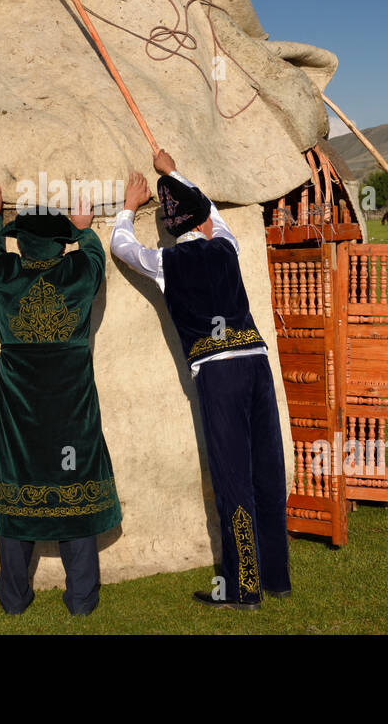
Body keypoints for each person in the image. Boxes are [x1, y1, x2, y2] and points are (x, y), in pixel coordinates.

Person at [109, 148, 290, 610]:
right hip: (256, 364)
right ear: (205, 221)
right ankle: (275, 577)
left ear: (176, 227)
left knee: (234, 479)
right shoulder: (226, 246)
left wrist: (129, 205)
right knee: (266, 468)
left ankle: (245, 589)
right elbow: (208, 210)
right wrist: (174, 173)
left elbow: (121, 247)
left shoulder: (167, 263)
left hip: (218, 374)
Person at [0, 181, 122, 616]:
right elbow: (95, 259)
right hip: (70, 401)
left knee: (18, 485)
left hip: (20, 405)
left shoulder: (4, 276)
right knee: (73, 483)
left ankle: (14, 600)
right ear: (61, 242)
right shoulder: (78, 274)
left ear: (20, 241)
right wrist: (83, 229)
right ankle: (80, 600)